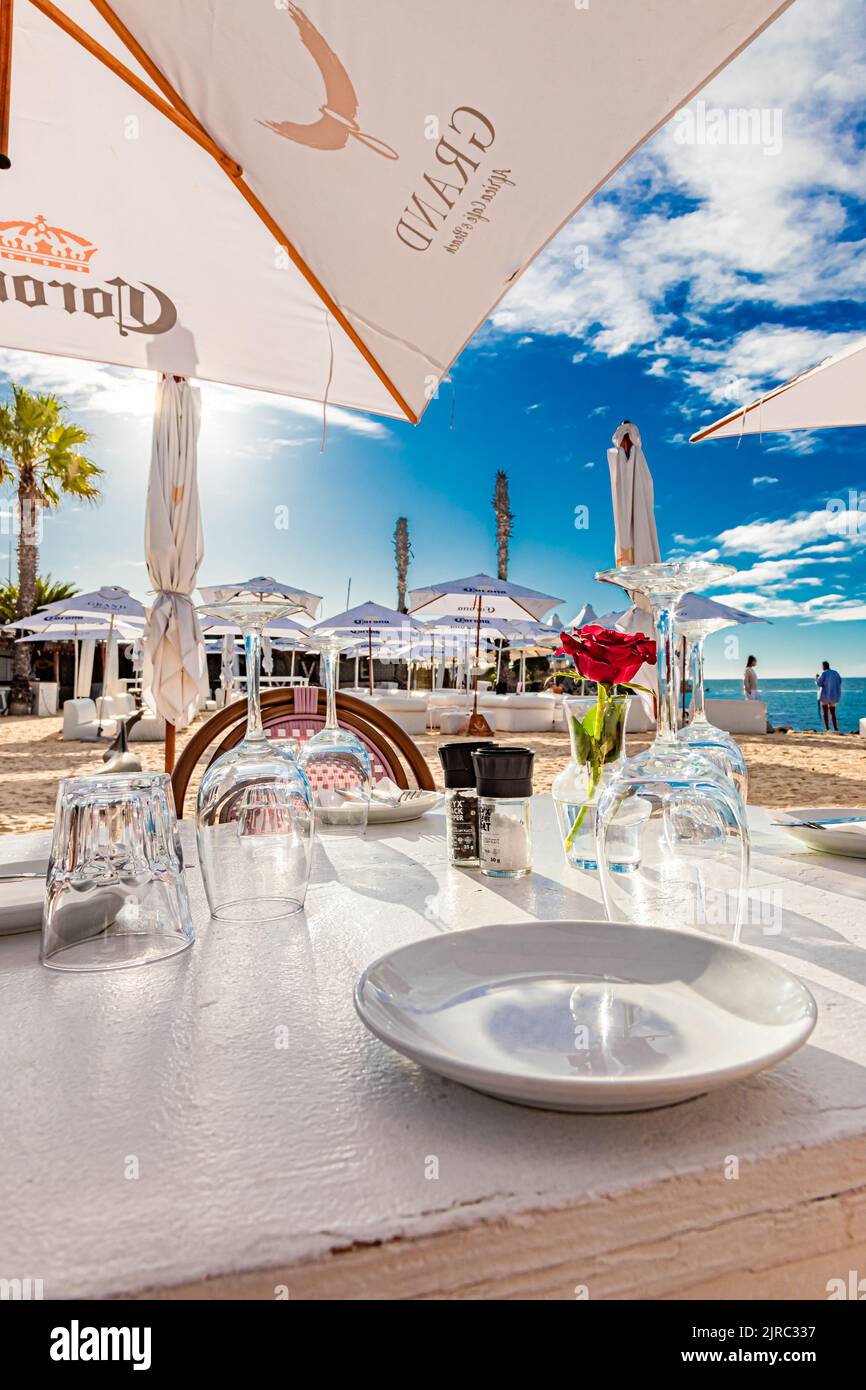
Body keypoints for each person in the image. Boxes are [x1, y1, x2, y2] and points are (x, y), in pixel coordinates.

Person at [816, 660, 842, 731]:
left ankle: (827, 728)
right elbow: (839, 681)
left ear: (824, 666)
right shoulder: (836, 673)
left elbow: (819, 683)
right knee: (833, 713)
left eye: (822, 666)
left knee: (825, 712)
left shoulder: (824, 673)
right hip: (833, 696)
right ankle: (836, 728)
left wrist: (817, 677)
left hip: (825, 695)